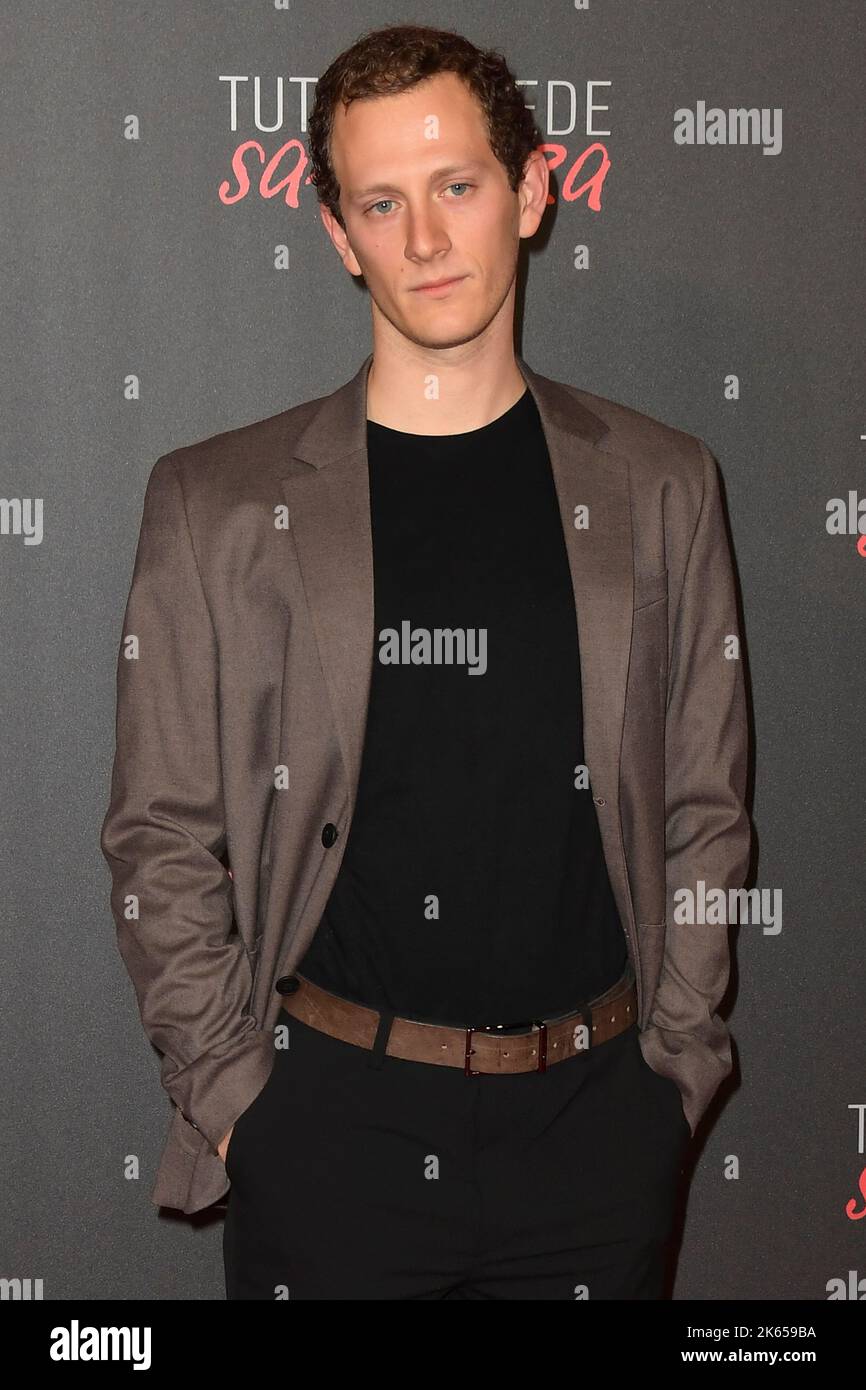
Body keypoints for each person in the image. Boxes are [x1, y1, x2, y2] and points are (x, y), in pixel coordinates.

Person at [100, 23, 751, 1300]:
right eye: (381, 203)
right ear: (338, 236)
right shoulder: (214, 503)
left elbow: (702, 808)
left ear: (532, 190)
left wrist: (672, 1074)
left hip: (596, 1135)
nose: (425, 238)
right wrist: (239, 1106)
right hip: (328, 1139)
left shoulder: (661, 483)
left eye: (457, 184)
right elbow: (158, 833)